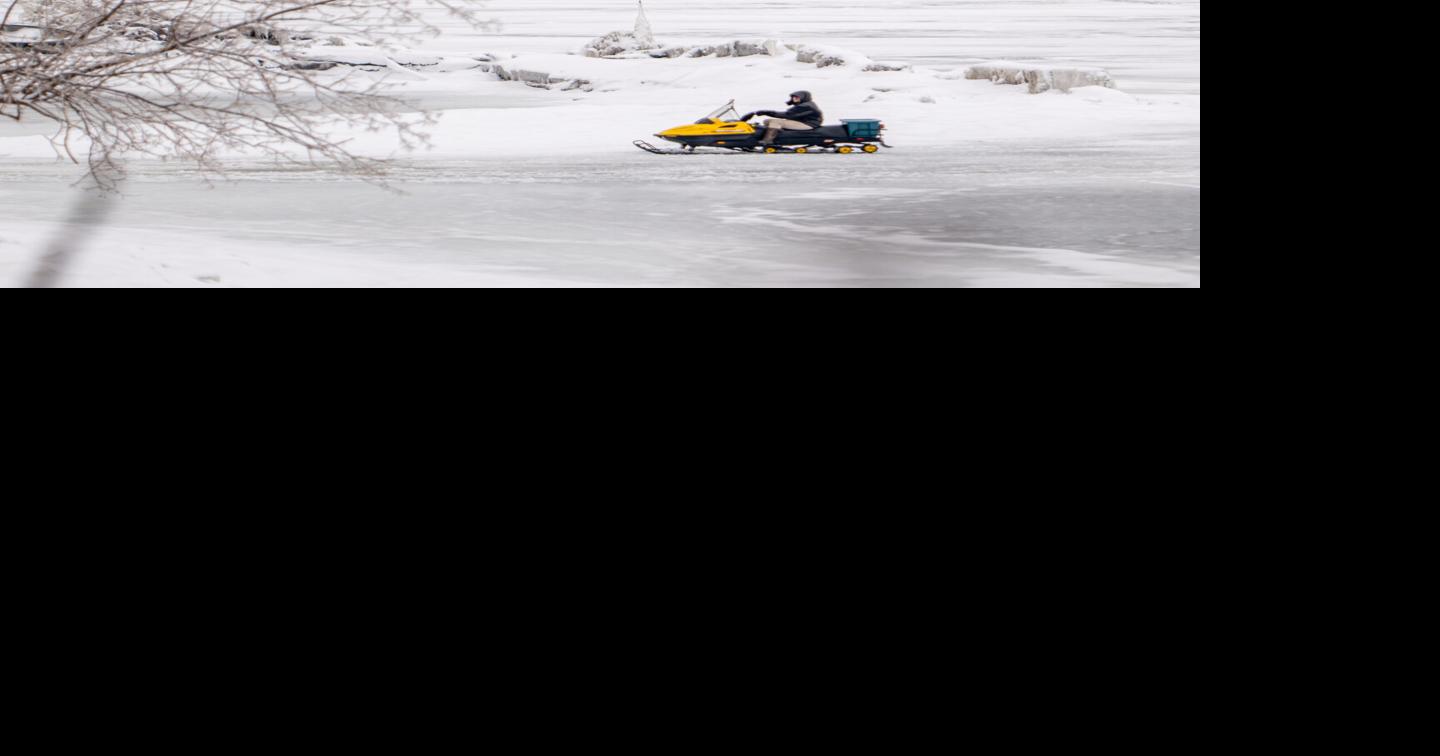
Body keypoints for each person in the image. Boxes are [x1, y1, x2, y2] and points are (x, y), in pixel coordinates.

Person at [742, 92, 824, 146]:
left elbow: (787, 115)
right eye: (794, 98)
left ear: (803, 98)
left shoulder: (805, 105)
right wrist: (766, 113)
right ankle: (779, 136)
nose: (795, 100)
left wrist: (767, 112)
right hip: (805, 122)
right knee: (767, 121)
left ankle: (768, 140)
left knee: (775, 122)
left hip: (808, 124)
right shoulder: (805, 104)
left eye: (797, 98)